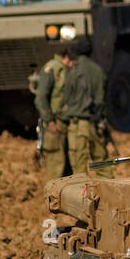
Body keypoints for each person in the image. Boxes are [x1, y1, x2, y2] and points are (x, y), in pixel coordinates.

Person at [56, 39, 113, 178]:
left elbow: (66, 98)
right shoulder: (98, 71)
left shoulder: (72, 72)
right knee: (102, 162)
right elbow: (100, 100)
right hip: (95, 123)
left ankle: (81, 194)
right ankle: (109, 191)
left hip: (77, 124)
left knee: (79, 164)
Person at [34, 50, 69, 178]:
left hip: (65, 123)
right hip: (55, 124)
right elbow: (40, 98)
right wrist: (49, 120)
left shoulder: (63, 69)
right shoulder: (52, 69)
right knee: (56, 169)